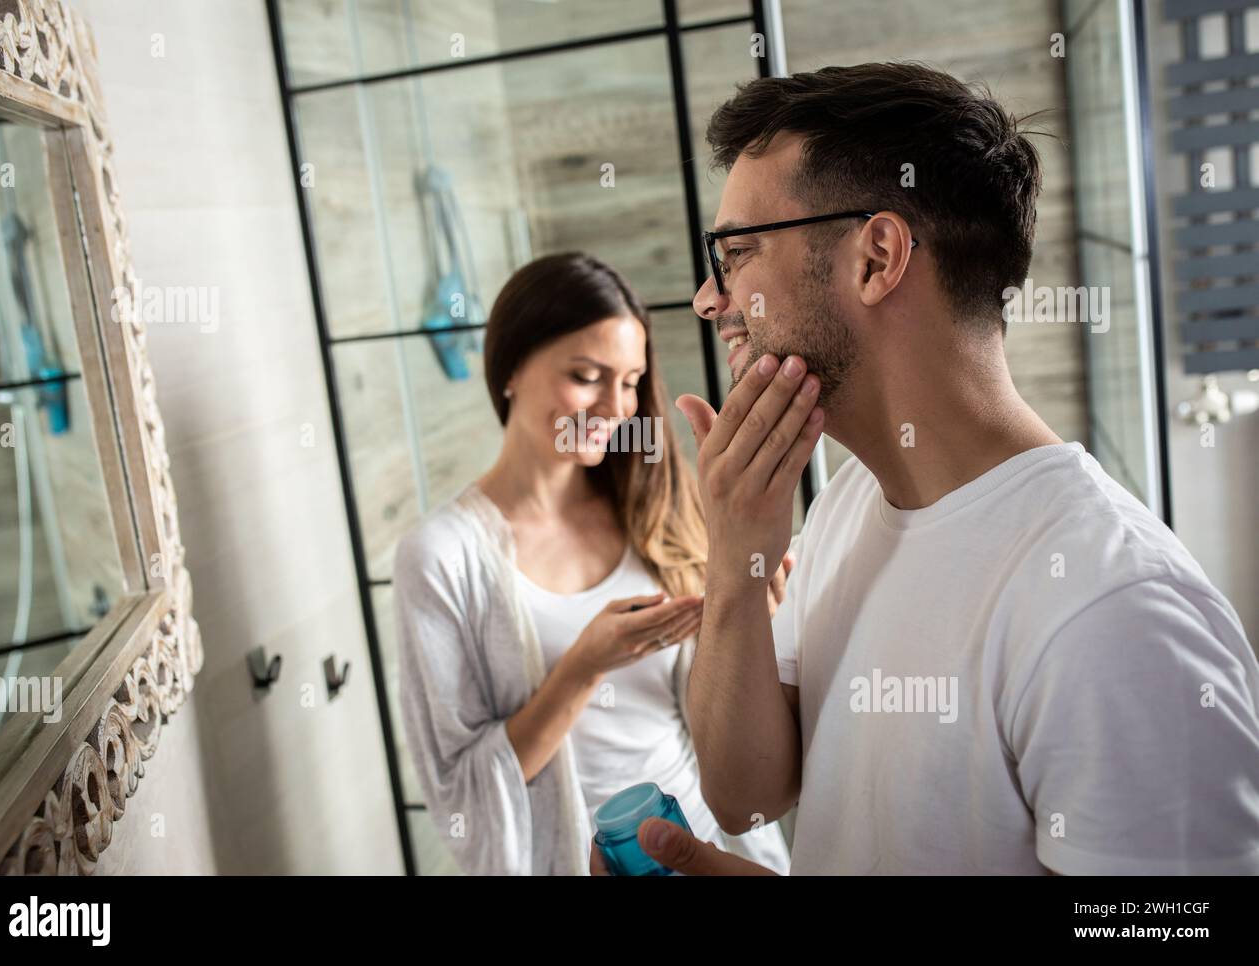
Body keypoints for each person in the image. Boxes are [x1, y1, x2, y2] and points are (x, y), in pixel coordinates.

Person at [593, 62, 1259, 875]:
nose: (708, 298)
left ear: (877, 258)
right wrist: (736, 556)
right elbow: (748, 797)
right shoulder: (847, 504)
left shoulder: (1117, 612)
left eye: (737, 254)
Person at [393, 252, 791, 874]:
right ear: (510, 371)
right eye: (586, 375)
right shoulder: (441, 557)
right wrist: (583, 667)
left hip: (709, 847)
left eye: (631, 380)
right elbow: (461, 793)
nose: (616, 406)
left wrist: (753, 616)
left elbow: (725, 705)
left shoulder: (657, 509)